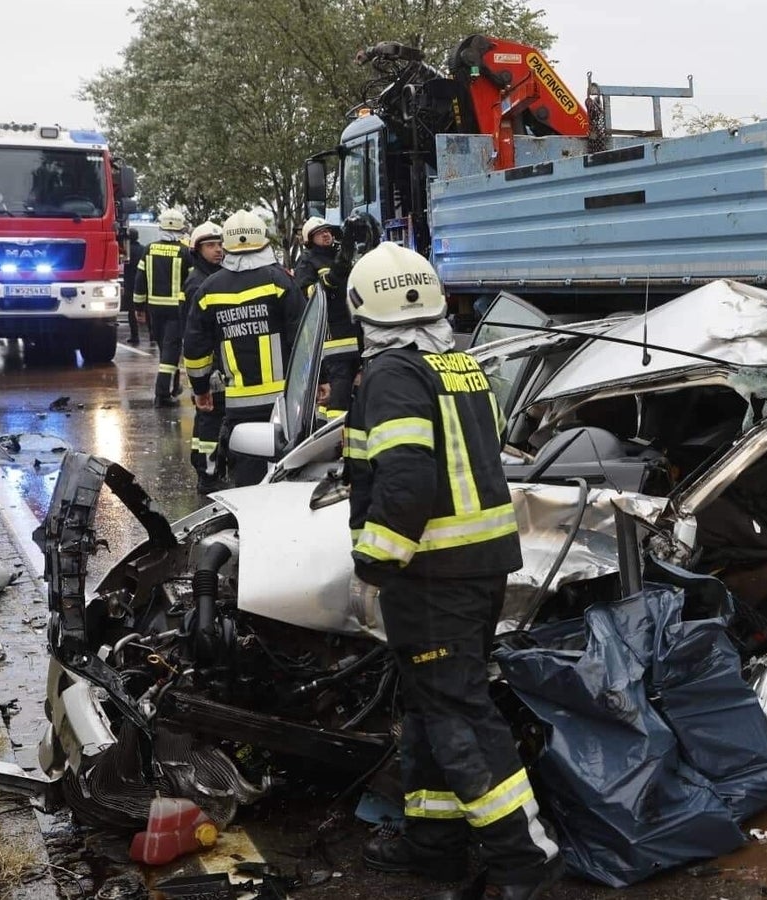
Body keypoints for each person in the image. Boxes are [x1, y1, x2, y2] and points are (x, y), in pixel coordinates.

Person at [345, 242, 561, 898]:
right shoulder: (460, 365)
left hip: (435, 572)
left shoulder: (392, 375)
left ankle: (527, 854)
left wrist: (375, 557)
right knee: (433, 707)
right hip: (476, 564)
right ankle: (433, 845)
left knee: (459, 713)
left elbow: (407, 481)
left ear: (363, 309)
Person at [181, 210, 302, 487]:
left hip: (239, 405)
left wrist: (200, 390)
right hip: (284, 401)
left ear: (227, 245)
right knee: (288, 474)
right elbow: (301, 334)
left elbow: (196, 347)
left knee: (248, 480)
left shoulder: (209, 289)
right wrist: (322, 378)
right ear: (263, 241)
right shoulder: (281, 281)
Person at [294, 215, 361, 413]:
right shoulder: (307, 262)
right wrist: (332, 277)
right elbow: (309, 295)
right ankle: (330, 438)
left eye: (328, 231)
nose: (326, 235)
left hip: (355, 335)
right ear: (309, 239)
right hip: (332, 342)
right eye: (320, 232)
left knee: (359, 394)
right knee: (338, 396)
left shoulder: (343, 257)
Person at [181, 222, 226, 492]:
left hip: (211, 361)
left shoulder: (211, 277)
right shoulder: (198, 283)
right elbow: (198, 334)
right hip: (207, 363)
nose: (218, 250)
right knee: (210, 414)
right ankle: (207, 475)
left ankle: (204, 465)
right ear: (197, 250)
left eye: (219, 244)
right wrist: (207, 372)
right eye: (210, 246)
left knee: (206, 415)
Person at [135, 207, 193, 402]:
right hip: (177, 310)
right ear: (180, 229)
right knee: (171, 350)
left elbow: (140, 279)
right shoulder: (185, 252)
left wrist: (139, 307)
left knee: (165, 349)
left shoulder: (149, 249)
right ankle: (162, 394)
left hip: (155, 309)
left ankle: (174, 386)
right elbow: (192, 283)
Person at [121, 228, 145, 345]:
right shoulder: (143, 249)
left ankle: (135, 336)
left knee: (131, 311)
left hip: (130, 283)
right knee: (146, 308)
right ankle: (152, 335)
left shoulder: (127, 251)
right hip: (143, 282)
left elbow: (122, 262)